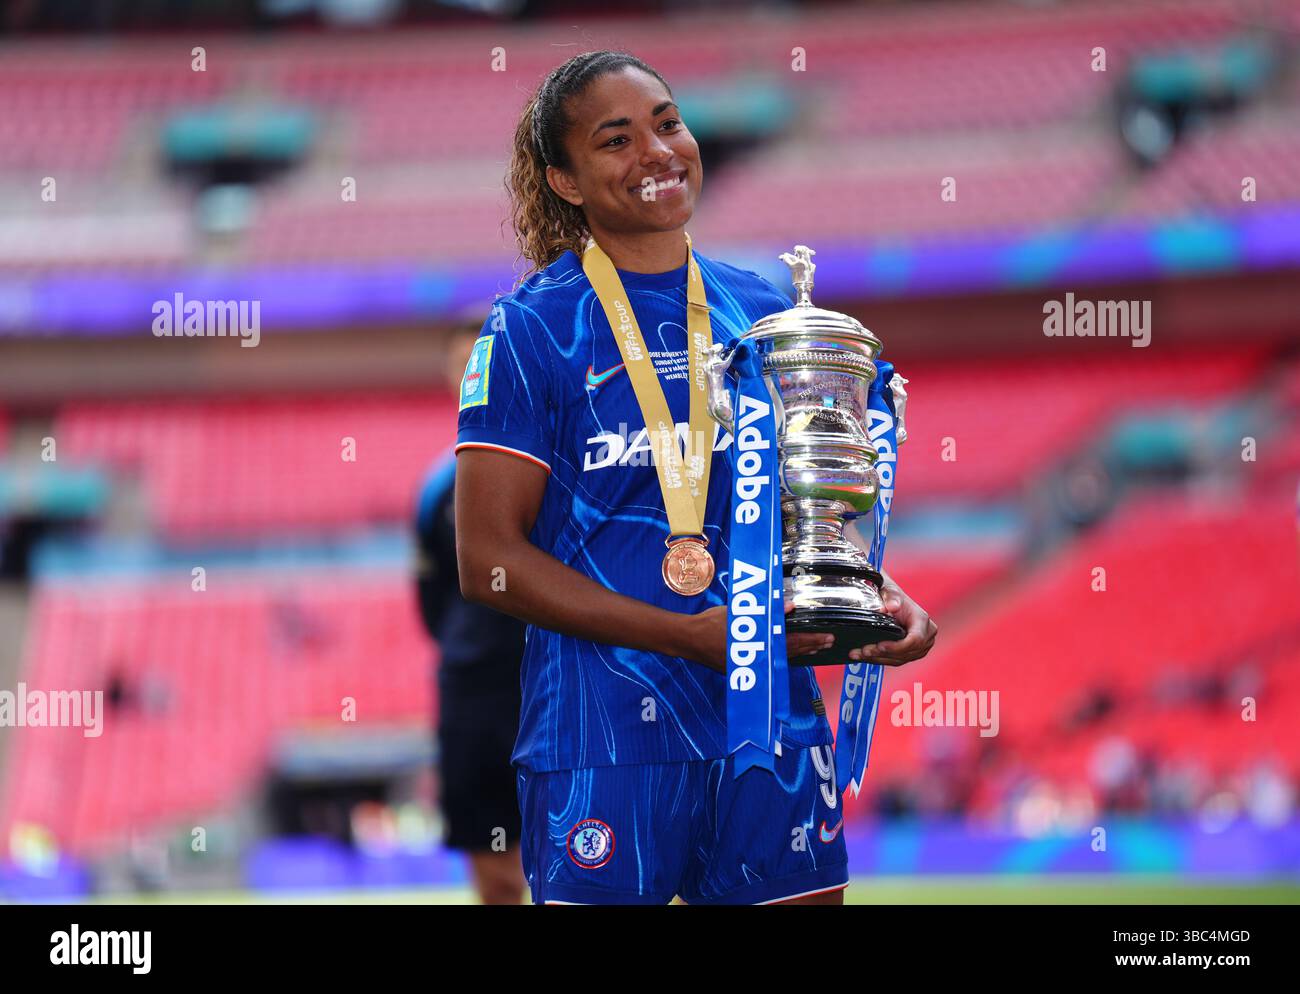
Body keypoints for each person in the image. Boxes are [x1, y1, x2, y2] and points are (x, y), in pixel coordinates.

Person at [454, 51, 937, 905]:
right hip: (600, 736)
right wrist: (682, 635)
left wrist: (872, 591)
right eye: (616, 140)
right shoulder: (531, 329)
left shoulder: (762, 309)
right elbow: (486, 559)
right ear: (565, 182)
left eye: (667, 123)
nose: (656, 151)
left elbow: (799, 513)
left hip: (768, 718)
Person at [414, 325, 528, 904]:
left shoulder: (554, 461)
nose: (471, 379)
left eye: (480, 365)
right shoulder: (437, 485)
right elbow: (433, 603)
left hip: (554, 680)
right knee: (496, 872)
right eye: (462, 367)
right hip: (475, 692)